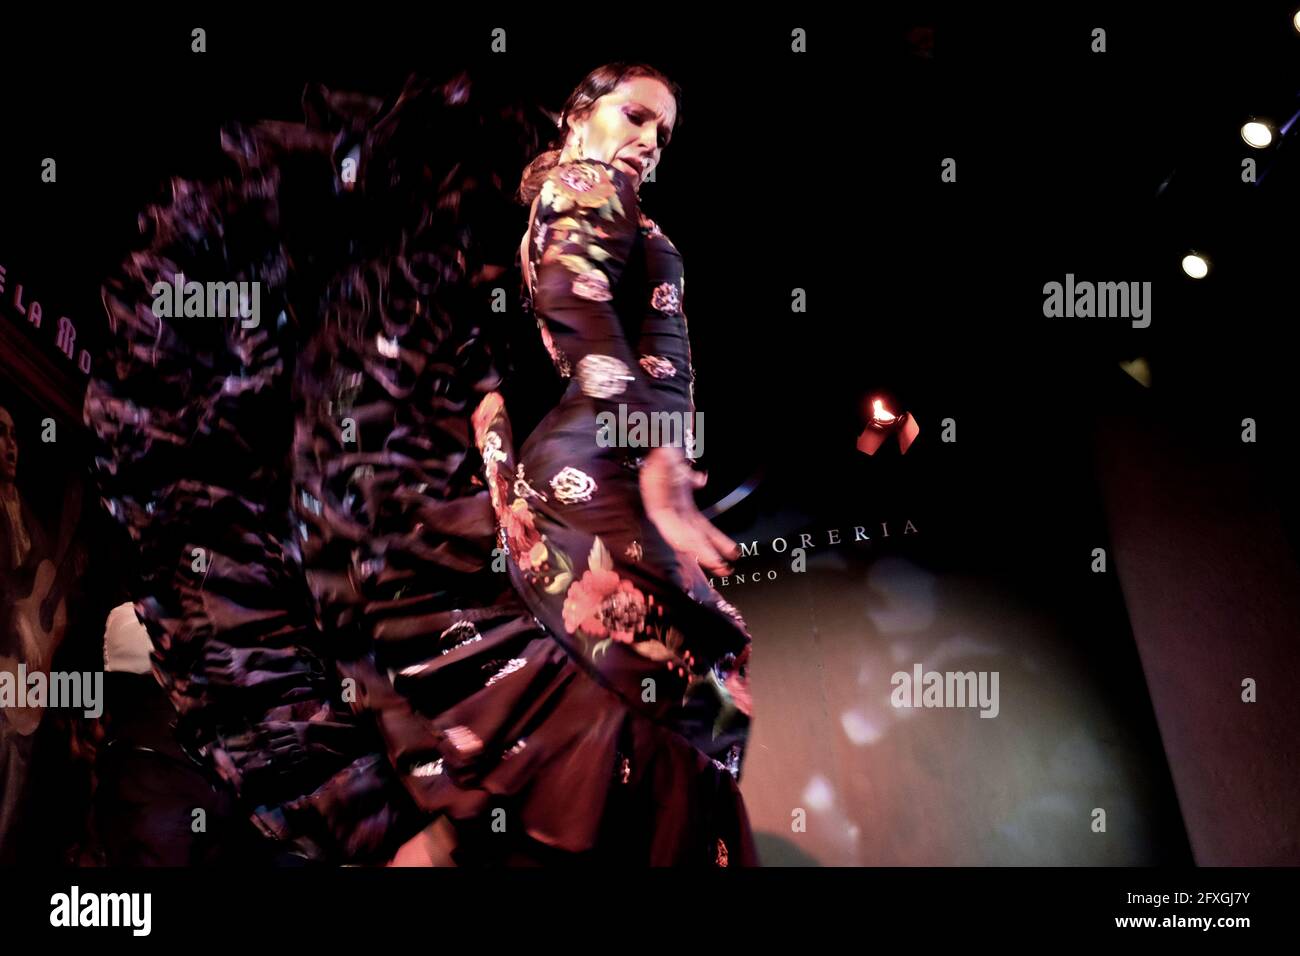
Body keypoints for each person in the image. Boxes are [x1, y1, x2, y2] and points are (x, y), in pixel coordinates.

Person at [85, 64, 755, 866]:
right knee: (633, 724)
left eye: (664, 133)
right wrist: (655, 454)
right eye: (636, 117)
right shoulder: (584, 187)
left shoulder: (540, 224)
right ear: (579, 115)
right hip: (603, 472)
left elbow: (496, 392)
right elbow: (578, 308)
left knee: (611, 727)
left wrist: (508, 495)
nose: (649, 143)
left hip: (573, 482)